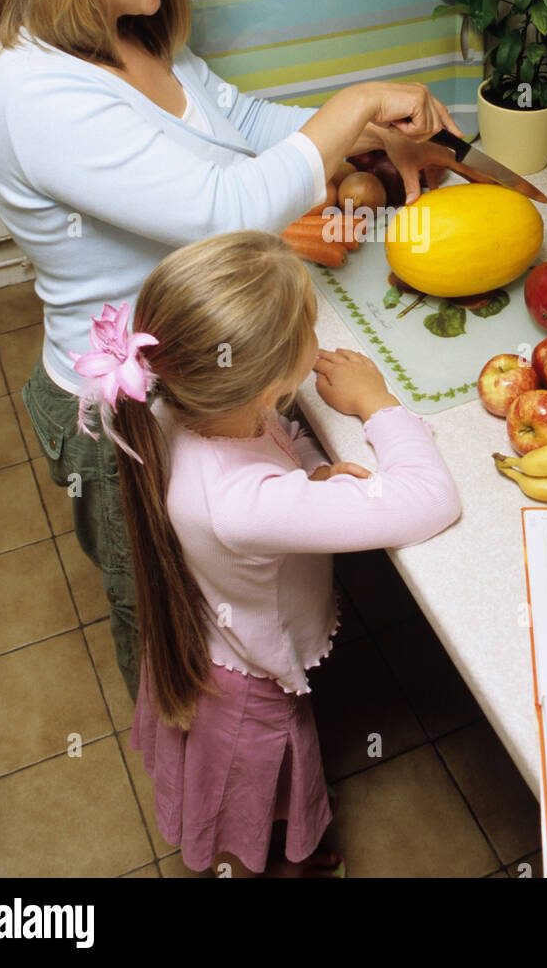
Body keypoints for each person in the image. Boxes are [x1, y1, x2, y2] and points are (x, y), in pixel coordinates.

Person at [0, 0, 473, 699]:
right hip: (121, 421)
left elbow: (239, 122)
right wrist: (354, 104)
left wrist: (364, 143)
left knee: (227, 611)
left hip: (204, 381)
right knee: (165, 621)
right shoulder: (34, 92)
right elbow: (221, 209)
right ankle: (202, 789)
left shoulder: (128, 38)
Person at [69, 230, 460, 878]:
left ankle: (284, 844)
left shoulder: (177, 404)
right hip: (248, 688)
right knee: (250, 800)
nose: (315, 329)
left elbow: (277, 439)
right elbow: (431, 499)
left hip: (210, 639)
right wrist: (377, 405)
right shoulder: (245, 504)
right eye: (310, 322)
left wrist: (310, 473)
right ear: (274, 381)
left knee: (258, 791)